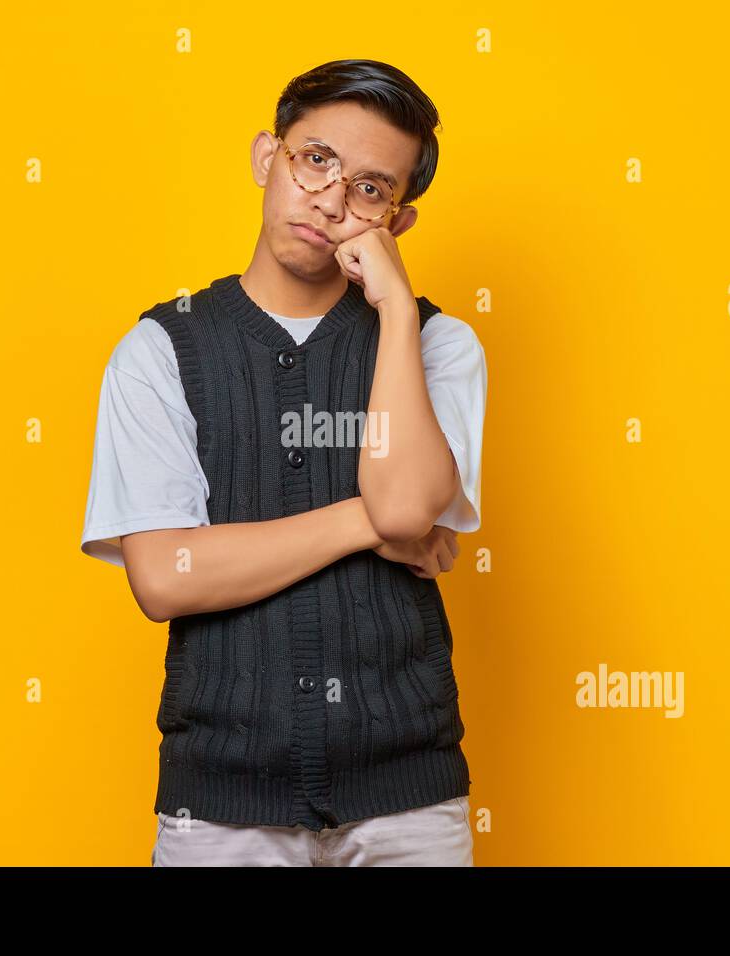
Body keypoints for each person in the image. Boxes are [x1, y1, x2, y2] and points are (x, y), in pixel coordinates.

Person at [80, 59, 486, 866]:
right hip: (220, 804)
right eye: (316, 159)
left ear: (397, 223)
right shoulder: (161, 351)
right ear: (268, 157)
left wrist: (396, 311)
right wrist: (360, 521)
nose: (333, 199)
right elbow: (165, 578)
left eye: (372, 188)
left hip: (408, 795)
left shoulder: (440, 345)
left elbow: (409, 512)